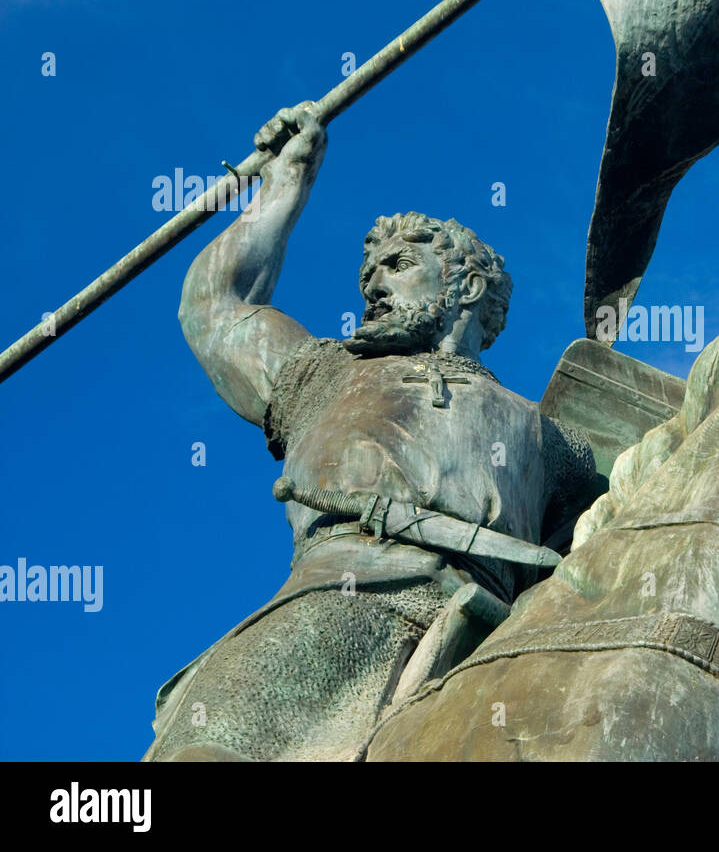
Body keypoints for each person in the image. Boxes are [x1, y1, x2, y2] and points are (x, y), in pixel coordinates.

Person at [146, 103, 598, 761]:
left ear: (466, 285)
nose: (372, 283)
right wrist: (285, 186)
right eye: (368, 273)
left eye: (396, 264)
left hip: (499, 632)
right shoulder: (324, 373)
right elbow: (214, 310)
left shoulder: (555, 442)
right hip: (337, 605)